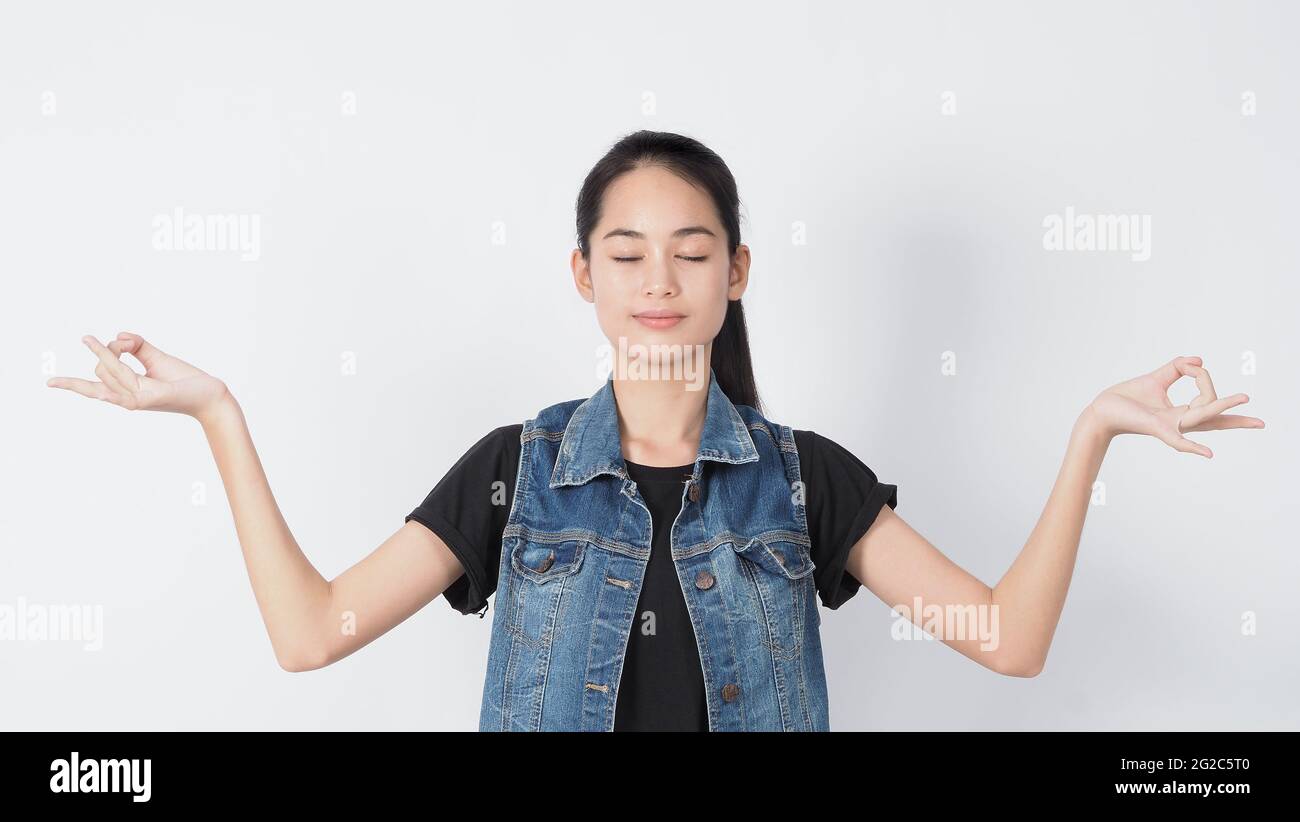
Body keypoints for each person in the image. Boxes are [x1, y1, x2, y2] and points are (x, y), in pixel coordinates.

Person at [46, 130, 1265, 731]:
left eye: (691, 250)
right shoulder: (513, 475)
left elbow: (1004, 644)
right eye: (625, 251)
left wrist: (1092, 432)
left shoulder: (805, 484)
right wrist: (217, 413)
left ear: (736, 271)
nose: (658, 277)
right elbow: (311, 637)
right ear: (583, 274)